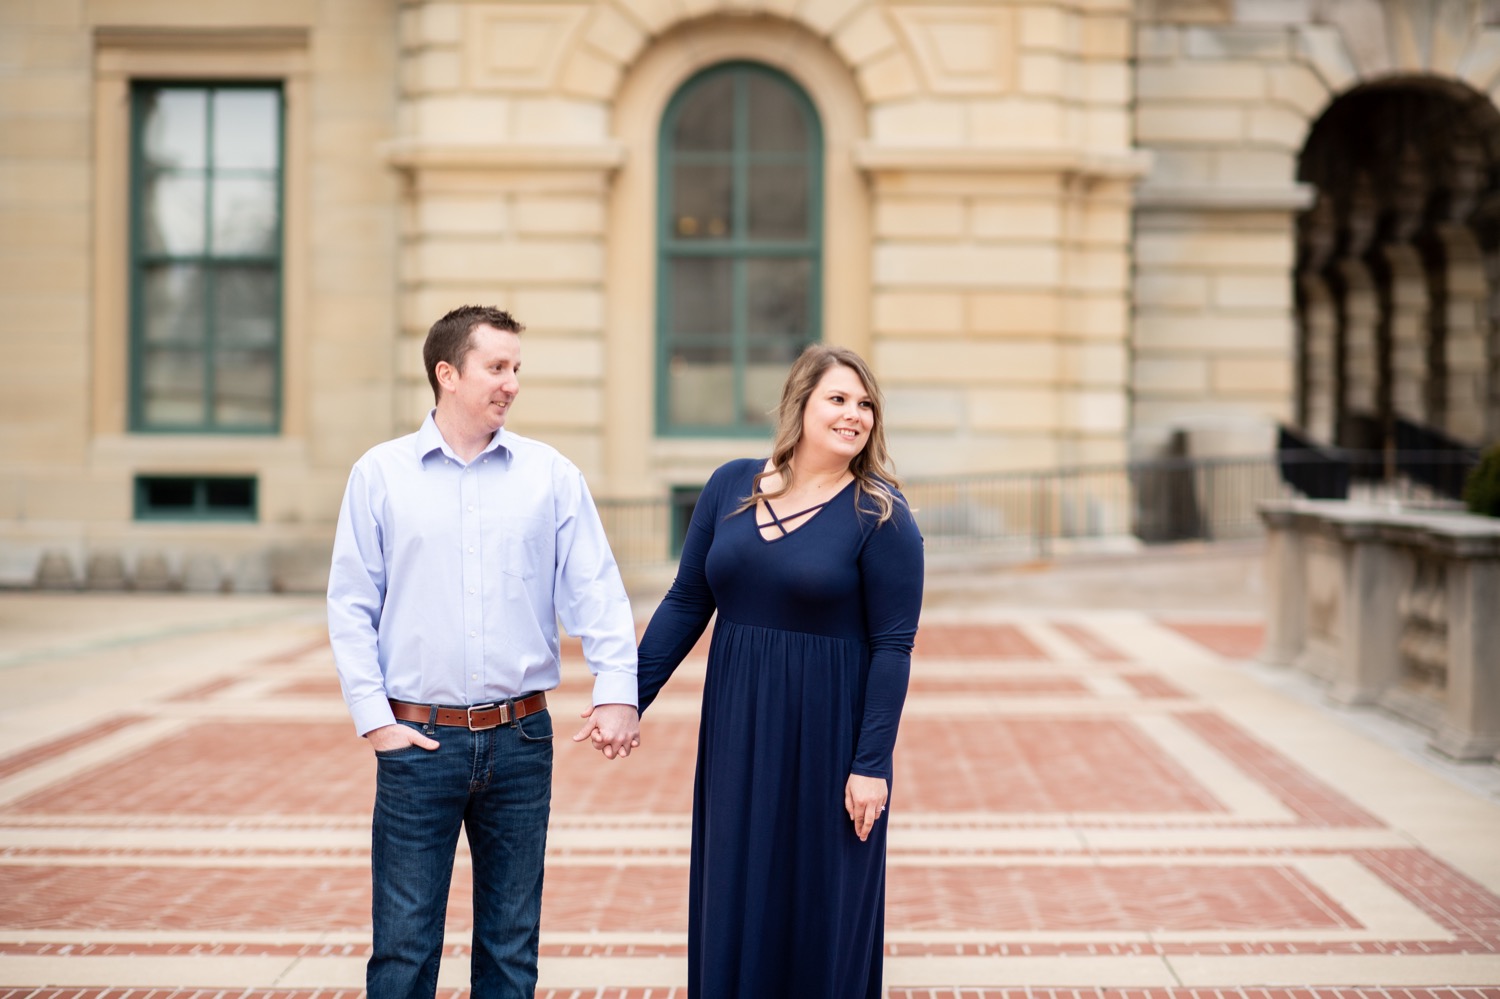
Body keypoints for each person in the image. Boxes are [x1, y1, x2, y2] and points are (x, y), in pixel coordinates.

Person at [326, 305, 641, 999]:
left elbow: (596, 589)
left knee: (510, 948)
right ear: (447, 373)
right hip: (417, 741)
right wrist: (376, 721)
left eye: (516, 368)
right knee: (403, 949)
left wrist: (618, 691)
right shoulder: (380, 474)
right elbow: (350, 605)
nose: (511, 383)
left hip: (521, 739)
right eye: (496, 367)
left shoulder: (549, 475)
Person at [635, 344, 924, 998]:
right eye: (838, 398)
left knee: (819, 904)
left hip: (828, 738)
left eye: (865, 404)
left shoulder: (881, 514)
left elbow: (893, 647)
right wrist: (627, 697)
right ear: (800, 403)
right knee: (736, 889)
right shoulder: (729, 485)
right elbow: (687, 600)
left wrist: (871, 764)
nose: (854, 414)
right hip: (737, 730)